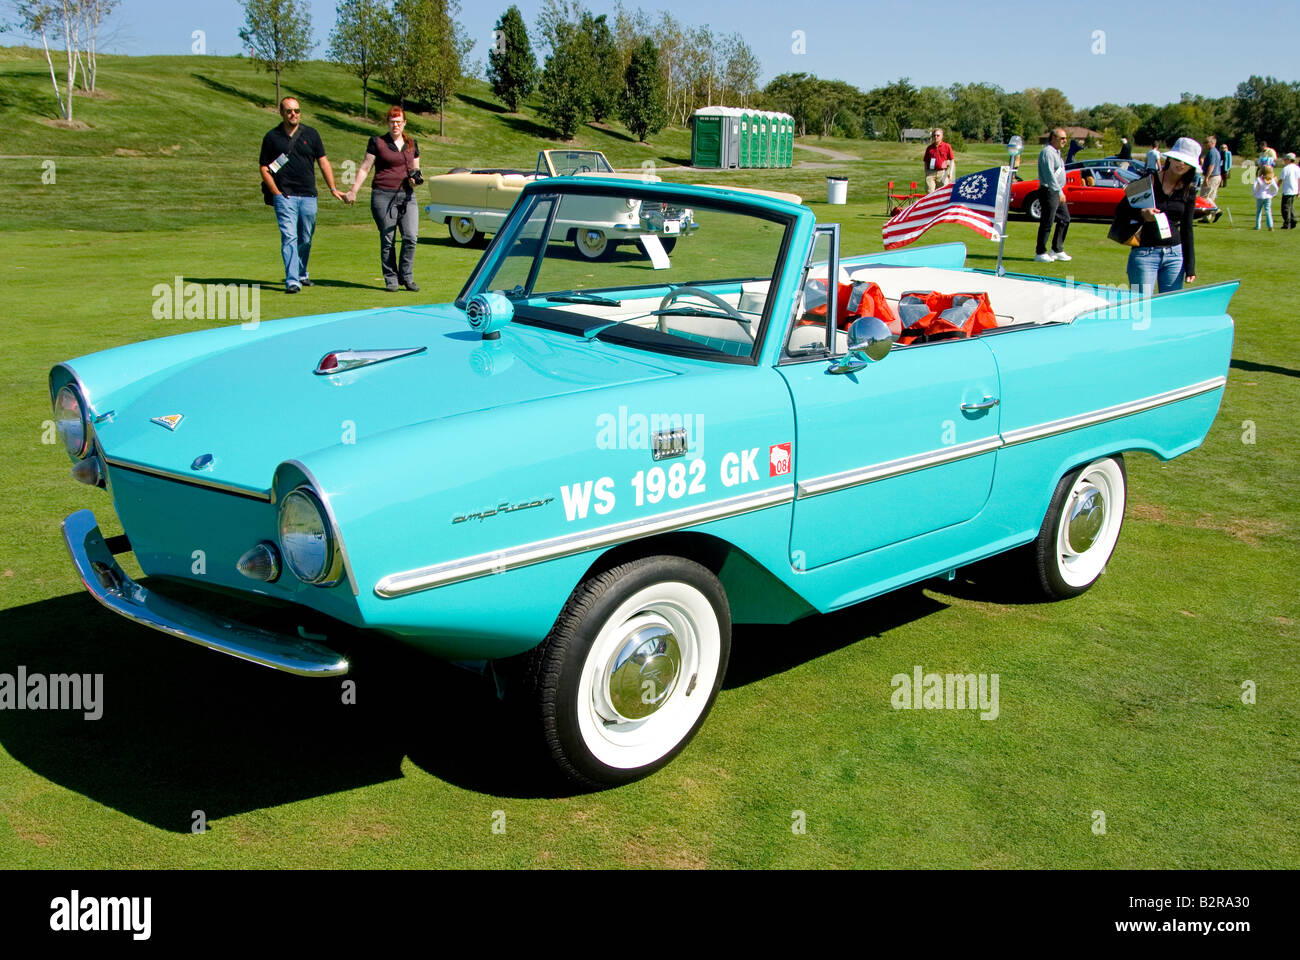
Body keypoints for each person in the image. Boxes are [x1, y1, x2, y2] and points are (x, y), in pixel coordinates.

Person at [259, 97, 344, 294]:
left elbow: (323, 162)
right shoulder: (272, 137)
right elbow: (264, 168)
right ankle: (292, 280)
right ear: (281, 112)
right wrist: (276, 192)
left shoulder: (311, 134)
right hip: (285, 196)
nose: (293, 114)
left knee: (305, 237)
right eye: (289, 111)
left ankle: (301, 272)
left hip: (308, 195)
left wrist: (332, 188)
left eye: (297, 110)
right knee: (289, 236)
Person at [345, 106, 424, 292]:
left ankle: (407, 276)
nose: (395, 125)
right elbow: (365, 167)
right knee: (388, 239)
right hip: (383, 195)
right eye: (392, 121)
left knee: (411, 237)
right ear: (388, 123)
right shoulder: (377, 142)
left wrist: (415, 180)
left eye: (399, 122)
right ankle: (391, 278)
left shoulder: (412, 144)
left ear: (404, 123)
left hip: (407, 196)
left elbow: (416, 170)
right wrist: (353, 190)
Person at [1109, 136, 1201, 294]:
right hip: (1145, 253)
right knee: (1141, 308)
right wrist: (1142, 214)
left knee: (1169, 308)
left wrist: (1190, 266)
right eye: (1178, 159)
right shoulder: (1148, 180)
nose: (1181, 164)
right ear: (1170, 158)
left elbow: (1187, 228)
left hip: (1175, 255)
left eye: (1186, 162)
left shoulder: (1189, 190)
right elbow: (1121, 210)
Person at [1034, 128, 1071, 262]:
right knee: (1047, 222)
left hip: (1056, 191)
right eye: (1062, 138)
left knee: (1065, 219)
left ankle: (1057, 249)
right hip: (1049, 191)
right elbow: (1049, 174)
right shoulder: (1047, 152)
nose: (1064, 141)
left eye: (1065, 138)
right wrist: (1059, 191)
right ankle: (1040, 252)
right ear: (1053, 138)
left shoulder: (1057, 152)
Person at [922, 128, 955, 193]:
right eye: (934, 135)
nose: (936, 137)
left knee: (944, 192)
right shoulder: (929, 148)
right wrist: (926, 172)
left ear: (942, 136)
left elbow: (952, 160)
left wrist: (950, 173)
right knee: (930, 193)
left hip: (942, 172)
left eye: (938, 135)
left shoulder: (947, 146)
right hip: (931, 173)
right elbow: (926, 161)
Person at [1254, 161, 1279, 230]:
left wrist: (1255, 193)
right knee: (1268, 211)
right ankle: (1270, 225)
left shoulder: (1259, 179)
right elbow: (1276, 188)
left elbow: (1254, 187)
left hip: (1259, 196)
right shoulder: (1272, 179)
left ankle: (1258, 226)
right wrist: (1273, 194)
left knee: (1258, 211)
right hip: (1268, 196)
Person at [1199, 135, 1223, 203]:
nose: (1205, 144)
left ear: (1212, 143)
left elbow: (1211, 166)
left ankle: (1216, 210)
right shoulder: (1216, 152)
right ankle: (1212, 212)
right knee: (1211, 197)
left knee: (1204, 197)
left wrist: (1206, 177)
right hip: (1217, 176)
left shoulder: (1211, 152)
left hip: (1212, 177)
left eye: (1207, 142)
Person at [1279, 153, 1299, 229]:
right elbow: (1298, 179)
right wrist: (1298, 190)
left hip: (1287, 190)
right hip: (1294, 190)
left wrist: (1276, 188)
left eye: (1285, 159)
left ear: (1289, 160)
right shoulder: (1297, 168)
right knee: (1290, 206)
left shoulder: (1286, 168)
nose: (1284, 161)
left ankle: (1288, 223)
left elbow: (1281, 180)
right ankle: (1293, 220)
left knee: (1285, 208)